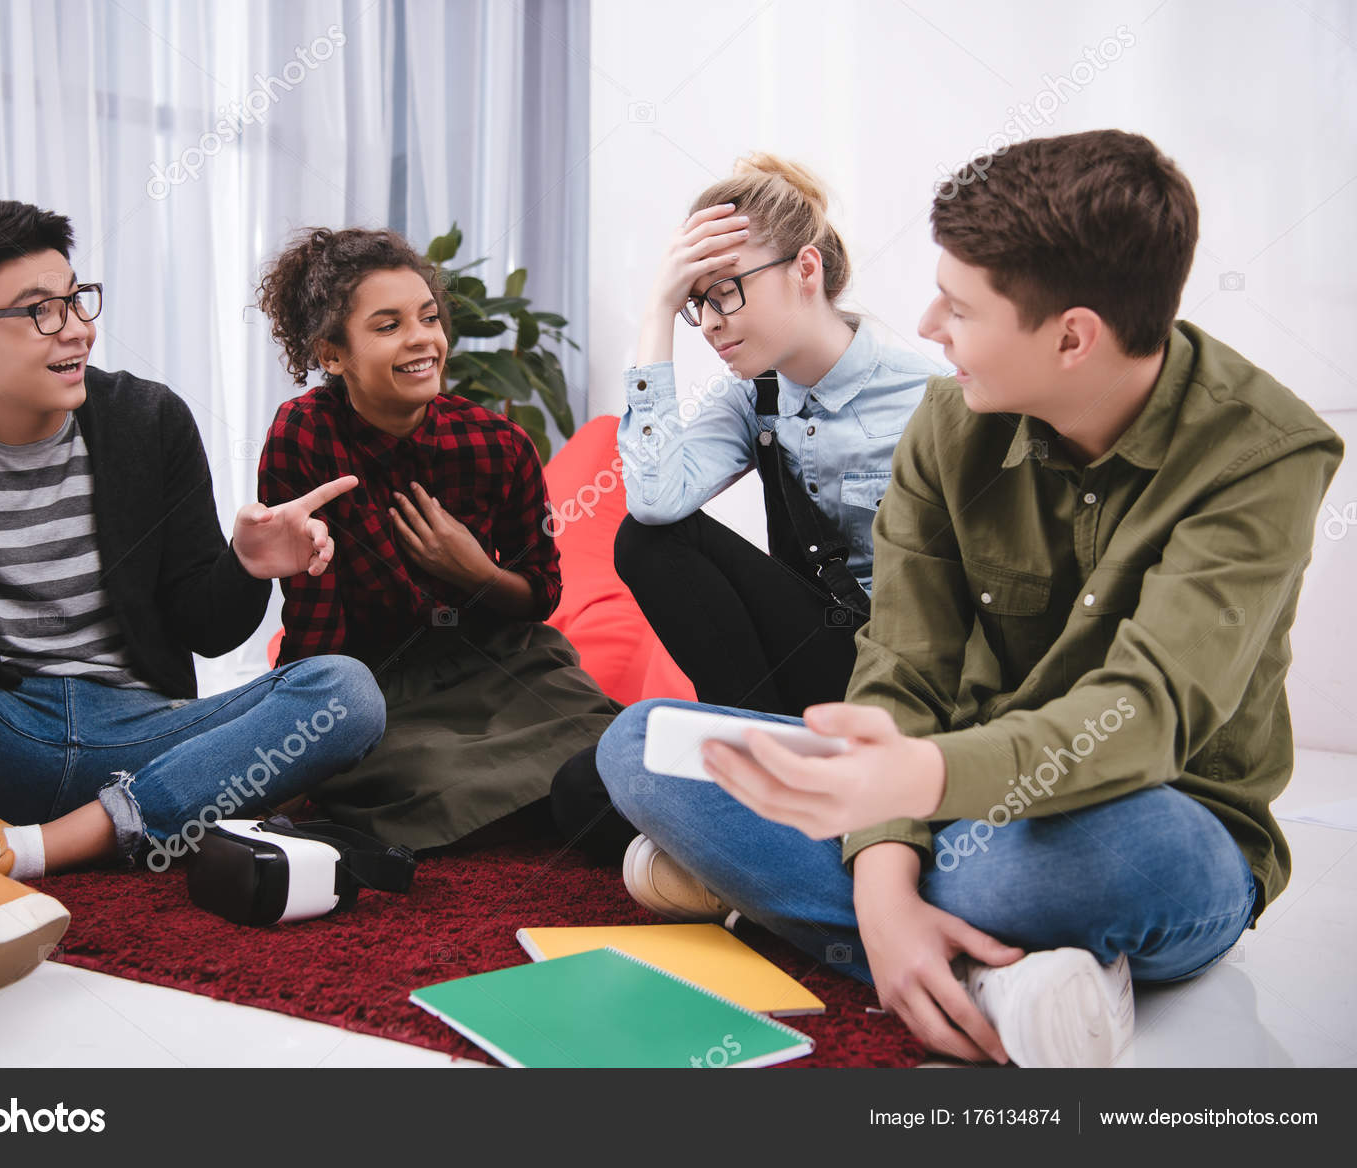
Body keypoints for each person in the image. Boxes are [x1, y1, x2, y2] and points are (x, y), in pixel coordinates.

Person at [596, 130, 1343, 1067]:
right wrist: (885, 875)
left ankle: (809, 903)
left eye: (959, 307)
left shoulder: (1262, 455)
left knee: (1025, 866)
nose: (929, 324)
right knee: (643, 750)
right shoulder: (954, 420)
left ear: (1072, 336)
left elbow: (1141, 718)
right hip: (949, 789)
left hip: (1155, 813)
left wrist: (906, 798)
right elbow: (901, 668)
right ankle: (987, 977)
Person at [0, 199, 385, 1037]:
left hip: (138, 739)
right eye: (39, 311)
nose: (75, 330)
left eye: (77, 298)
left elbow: (205, 626)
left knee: (346, 691)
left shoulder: (148, 420)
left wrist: (245, 566)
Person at [550, 154, 942, 866]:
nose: (710, 323)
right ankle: (760, 792)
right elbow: (655, 499)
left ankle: (755, 819)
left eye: (725, 292)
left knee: (647, 555)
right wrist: (656, 312)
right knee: (580, 791)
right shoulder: (751, 400)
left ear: (806, 270)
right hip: (802, 687)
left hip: (903, 691)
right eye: (697, 302)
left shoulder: (930, 398)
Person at [254, 227, 621, 850]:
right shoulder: (304, 434)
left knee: (612, 748)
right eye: (388, 325)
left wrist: (476, 572)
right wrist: (304, 741)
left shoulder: (499, 444)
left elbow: (540, 595)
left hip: (504, 665)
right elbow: (313, 619)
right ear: (333, 354)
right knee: (425, 779)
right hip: (378, 682)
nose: (422, 338)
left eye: (428, 317)